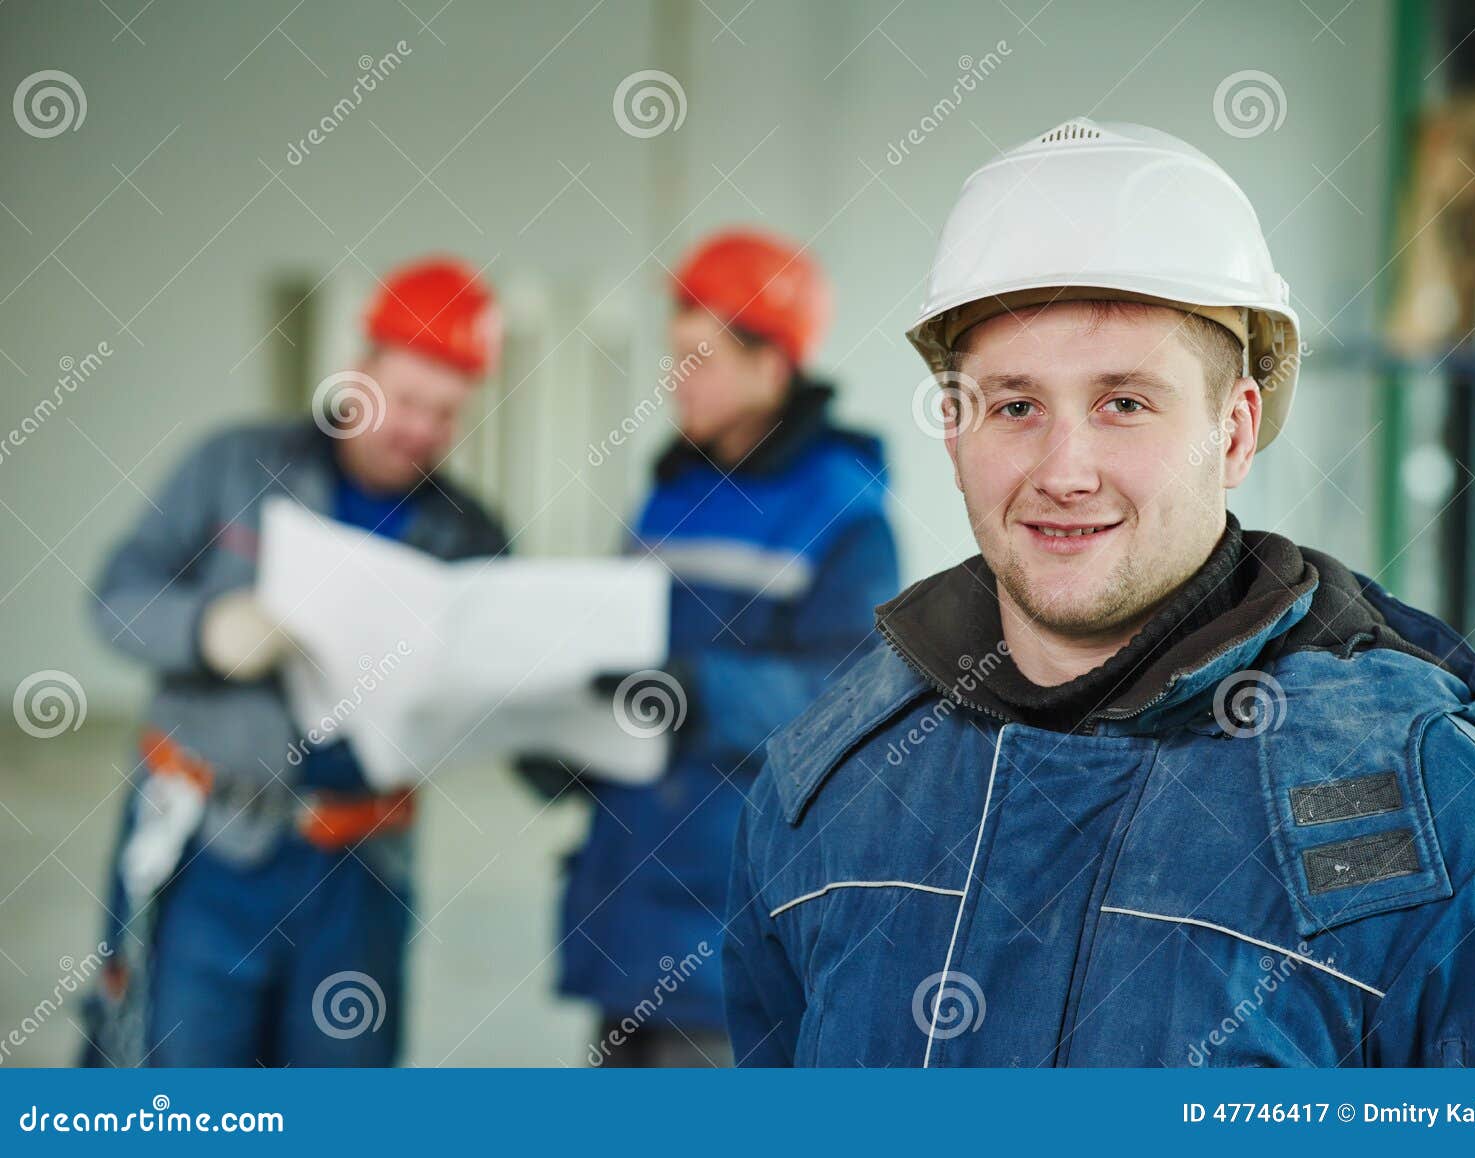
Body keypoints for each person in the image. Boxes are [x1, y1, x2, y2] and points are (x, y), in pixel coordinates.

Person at [722, 118, 1475, 1067]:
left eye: (1125, 404)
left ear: (1232, 432)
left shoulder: (1438, 824)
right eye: (1015, 406)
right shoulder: (831, 782)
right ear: (954, 433)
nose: (1065, 470)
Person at [84, 257, 510, 1067]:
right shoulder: (234, 467)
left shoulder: (471, 537)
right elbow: (117, 596)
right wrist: (204, 629)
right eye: (408, 400)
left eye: (446, 413)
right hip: (208, 852)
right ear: (359, 373)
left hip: (359, 873)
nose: (420, 428)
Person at [519, 229, 899, 1066]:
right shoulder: (671, 494)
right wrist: (561, 734)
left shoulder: (843, 512)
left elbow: (853, 700)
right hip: (629, 898)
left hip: (727, 910)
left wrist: (695, 691)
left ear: (772, 367)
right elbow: (620, 657)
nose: (675, 383)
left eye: (699, 358)